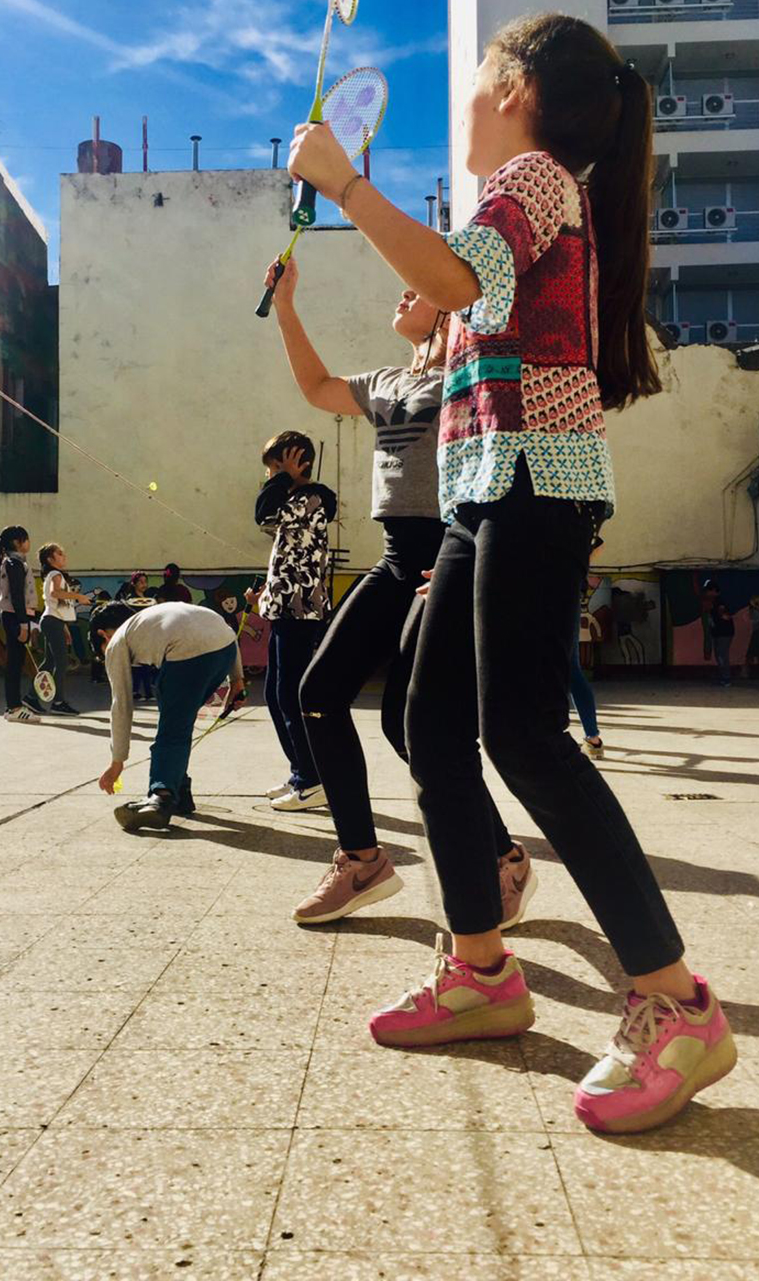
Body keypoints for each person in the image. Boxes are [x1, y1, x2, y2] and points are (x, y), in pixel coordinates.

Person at [288, 10, 735, 1134]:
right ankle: (481, 970)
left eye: (479, 74)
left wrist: (345, 185)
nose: (467, 96)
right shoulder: (524, 193)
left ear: (516, 89)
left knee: (523, 735)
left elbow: (453, 270)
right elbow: (460, 295)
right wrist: (429, 310)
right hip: (484, 489)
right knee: (427, 723)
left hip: (538, 478)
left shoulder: (535, 178)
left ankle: (678, 1005)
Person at [264, 256, 534, 927]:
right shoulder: (387, 380)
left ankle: (505, 860)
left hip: (446, 554)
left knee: (408, 724)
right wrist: (287, 306)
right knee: (317, 694)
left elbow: (506, 461)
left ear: (451, 304)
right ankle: (363, 859)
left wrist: (471, 555)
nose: (404, 289)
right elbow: (318, 386)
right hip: (394, 560)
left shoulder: (466, 374)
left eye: (421, 286)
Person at [91, 599, 245, 832]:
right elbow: (224, 630)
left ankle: (160, 798)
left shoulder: (117, 641)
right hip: (225, 649)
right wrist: (237, 679)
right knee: (177, 717)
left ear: (103, 635)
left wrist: (117, 762)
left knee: (172, 728)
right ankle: (180, 792)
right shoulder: (151, 617)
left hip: (189, 653)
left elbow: (121, 704)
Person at [253, 431, 336, 812]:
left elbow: (262, 513)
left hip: (301, 609)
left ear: (297, 462)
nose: (269, 476)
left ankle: (313, 780)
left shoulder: (311, 498)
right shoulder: (295, 500)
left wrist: (284, 476)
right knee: (275, 694)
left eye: (274, 467)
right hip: (285, 606)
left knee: (290, 695)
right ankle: (301, 770)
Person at [37, 543, 92, 716]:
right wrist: (79, 597)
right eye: (59, 554)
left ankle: (31, 697)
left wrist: (64, 627)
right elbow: (56, 593)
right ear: (50, 559)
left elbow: (58, 605)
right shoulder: (56, 575)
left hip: (54, 621)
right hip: (52, 622)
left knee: (49, 662)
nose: (64, 556)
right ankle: (58, 702)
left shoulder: (53, 574)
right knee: (61, 662)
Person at [0, 525, 40, 724]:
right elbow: (17, 595)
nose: (29, 543)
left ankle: (13, 706)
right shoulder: (14, 563)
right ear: (17, 542)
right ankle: (14, 707)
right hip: (15, 617)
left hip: (15, 616)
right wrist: (23, 623)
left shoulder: (13, 562)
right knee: (14, 662)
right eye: (26, 539)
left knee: (16, 662)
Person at [571, 533, 605, 758]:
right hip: (567, 597)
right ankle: (593, 739)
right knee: (571, 670)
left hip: (542, 599)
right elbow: (598, 544)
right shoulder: (571, 524)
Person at [115, 571, 154, 699]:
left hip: (147, 633)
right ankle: (137, 691)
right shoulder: (131, 600)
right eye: (140, 582)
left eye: (145, 582)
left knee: (145, 664)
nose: (144, 584)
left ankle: (145, 692)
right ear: (134, 584)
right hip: (135, 634)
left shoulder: (149, 598)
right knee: (137, 664)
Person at [704, 580, 735, 688]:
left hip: (724, 633)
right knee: (719, 655)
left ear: (713, 591)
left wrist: (722, 616)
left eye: (708, 591)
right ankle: (723, 677)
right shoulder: (715, 602)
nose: (707, 593)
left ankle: (726, 678)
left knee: (722, 655)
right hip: (718, 632)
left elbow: (724, 615)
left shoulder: (719, 602)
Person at [746, 594, 759, 676]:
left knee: (754, 651)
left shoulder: (755, 611)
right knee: (754, 651)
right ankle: (755, 669)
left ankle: (754, 670)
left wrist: (748, 622)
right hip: (755, 632)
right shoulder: (756, 611)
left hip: (755, 632)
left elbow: (755, 622)